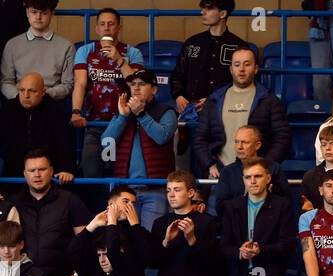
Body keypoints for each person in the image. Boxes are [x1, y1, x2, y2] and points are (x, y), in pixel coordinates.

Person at [192, 46, 290, 179]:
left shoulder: (269, 100)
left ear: (255, 68)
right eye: (237, 65)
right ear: (231, 69)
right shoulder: (214, 100)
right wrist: (209, 164)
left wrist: (264, 166)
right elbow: (199, 138)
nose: (242, 69)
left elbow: (282, 138)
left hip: (256, 175)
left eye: (247, 64)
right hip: (220, 173)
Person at [70, 7, 142, 181]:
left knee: (121, 173)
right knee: (91, 172)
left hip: (125, 123)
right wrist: (76, 111)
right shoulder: (85, 51)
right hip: (95, 124)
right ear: (97, 29)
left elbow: (137, 86)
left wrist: (118, 59)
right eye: (102, 24)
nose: (106, 28)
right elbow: (80, 84)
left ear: (119, 28)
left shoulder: (132, 53)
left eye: (111, 24)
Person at [102, 69, 177, 229]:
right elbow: (106, 144)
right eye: (133, 84)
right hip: (125, 191)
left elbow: (162, 136)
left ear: (154, 89)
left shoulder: (166, 111)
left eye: (142, 84)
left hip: (156, 189)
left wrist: (141, 115)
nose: (135, 88)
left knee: (150, 238)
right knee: (126, 240)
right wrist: (122, 117)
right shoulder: (123, 112)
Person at [7, 150, 91, 276]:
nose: (37, 174)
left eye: (42, 169)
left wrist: (78, 274)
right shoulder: (13, 203)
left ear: (51, 171)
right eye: (32, 170)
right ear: (25, 174)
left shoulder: (70, 200)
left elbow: (86, 241)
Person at [0, 72, 77, 182]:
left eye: (31, 91)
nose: (26, 95)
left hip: (48, 177)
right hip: (14, 175)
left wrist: (67, 169)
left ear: (43, 92)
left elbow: (65, 143)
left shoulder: (55, 111)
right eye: (22, 90)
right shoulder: (8, 109)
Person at [171, 0, 245, 119]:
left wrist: (216, 98)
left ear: (222, 14)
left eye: (209, 9)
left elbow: (242, 83)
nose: (202, 12)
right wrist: (178, 95)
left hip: (223, 111)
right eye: (203, 8)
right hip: (191, 110)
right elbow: (178, 74)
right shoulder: (192, 43)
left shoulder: (239, 46)